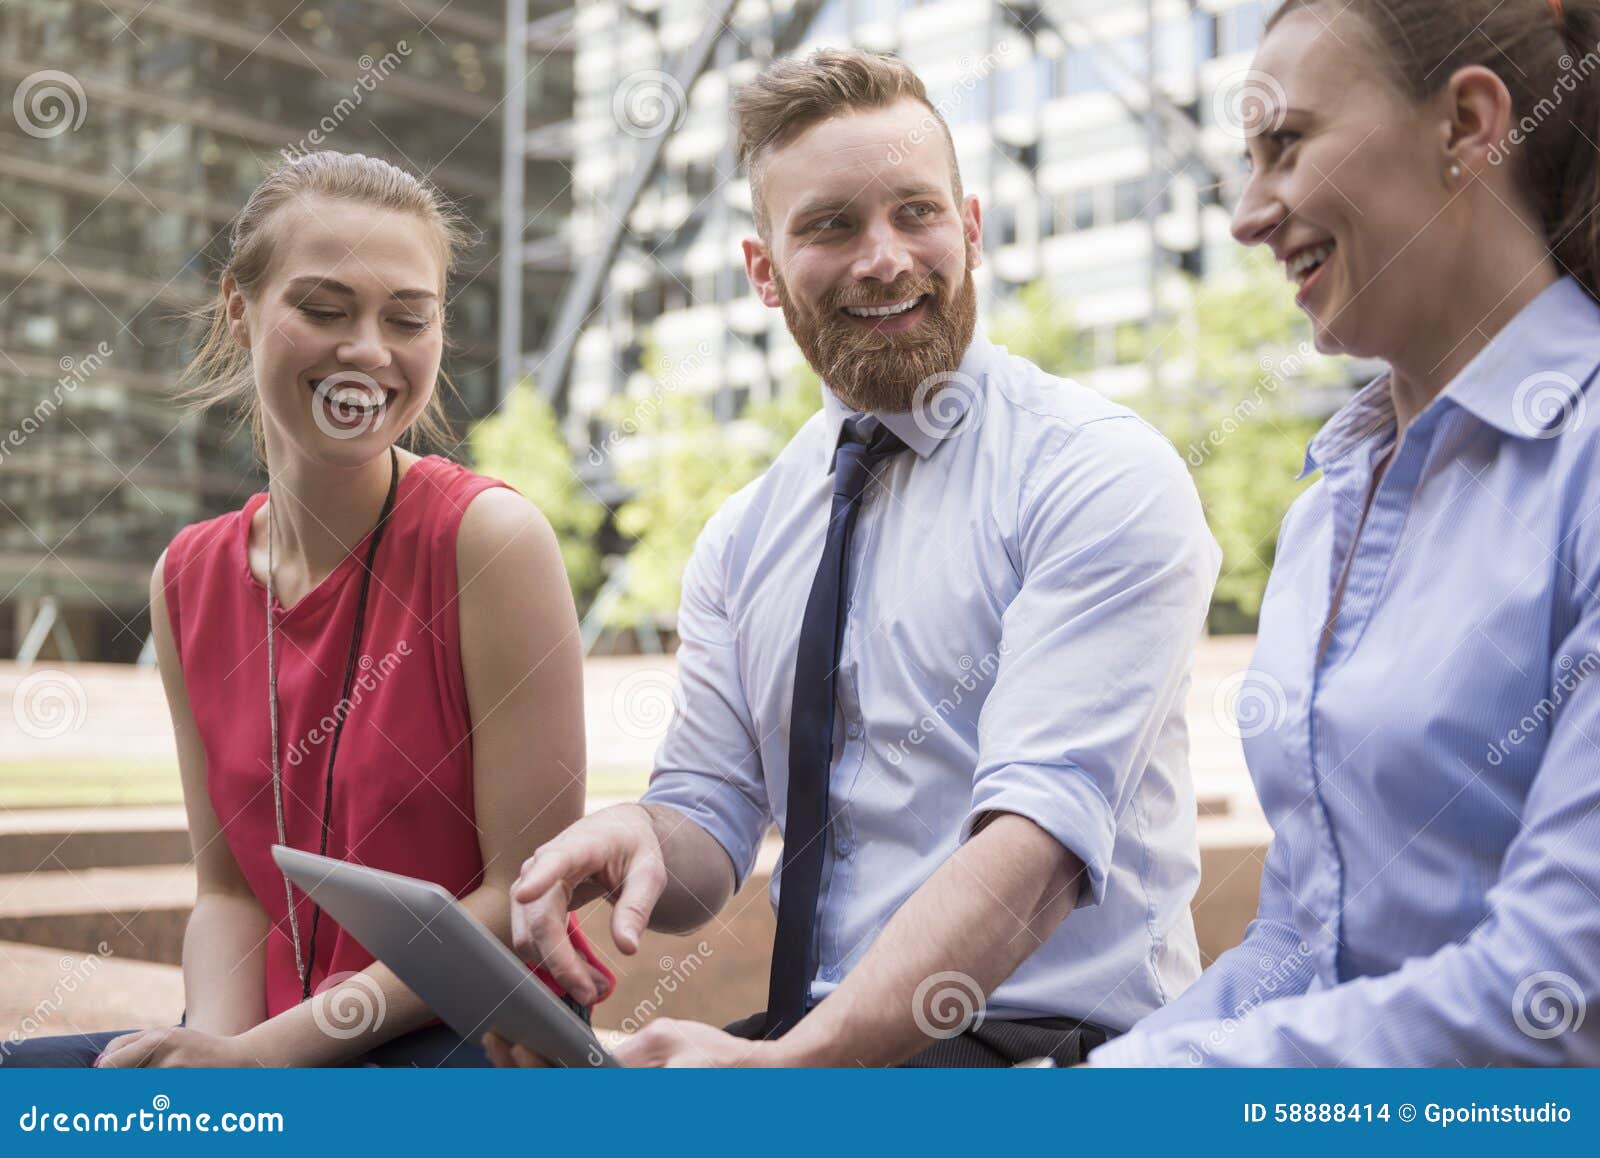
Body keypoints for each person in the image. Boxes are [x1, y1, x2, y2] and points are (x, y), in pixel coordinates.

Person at [488, 49, 1220, 1070]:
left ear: (967, 229)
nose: (884, 258)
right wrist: (643, 839)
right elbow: (710, 809)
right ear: (763, 271)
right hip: (824, 1045)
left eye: (915, 214)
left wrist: (792, 1074)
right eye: (831, 226)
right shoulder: (743, 535)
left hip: (1041, 1052)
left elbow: (1036, 856)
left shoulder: (1097, 473)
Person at [2, 151, 610, 1068]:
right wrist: (206, 1045)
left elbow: (523, 897)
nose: (368, 349)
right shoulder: (186, 578)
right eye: (325, 310)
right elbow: (230, 892)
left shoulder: (491, 542)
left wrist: (263, 1060)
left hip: (465, 1038)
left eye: (408, 318)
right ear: (238, 310)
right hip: (272, 1046)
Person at [1092, 0, 1600, 1066]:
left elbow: (1556, 995)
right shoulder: (1327, 500)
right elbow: (1301, 945)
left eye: (1285, 146)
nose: (1245, 213)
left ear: (1465, 123)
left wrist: (1128, 1098)